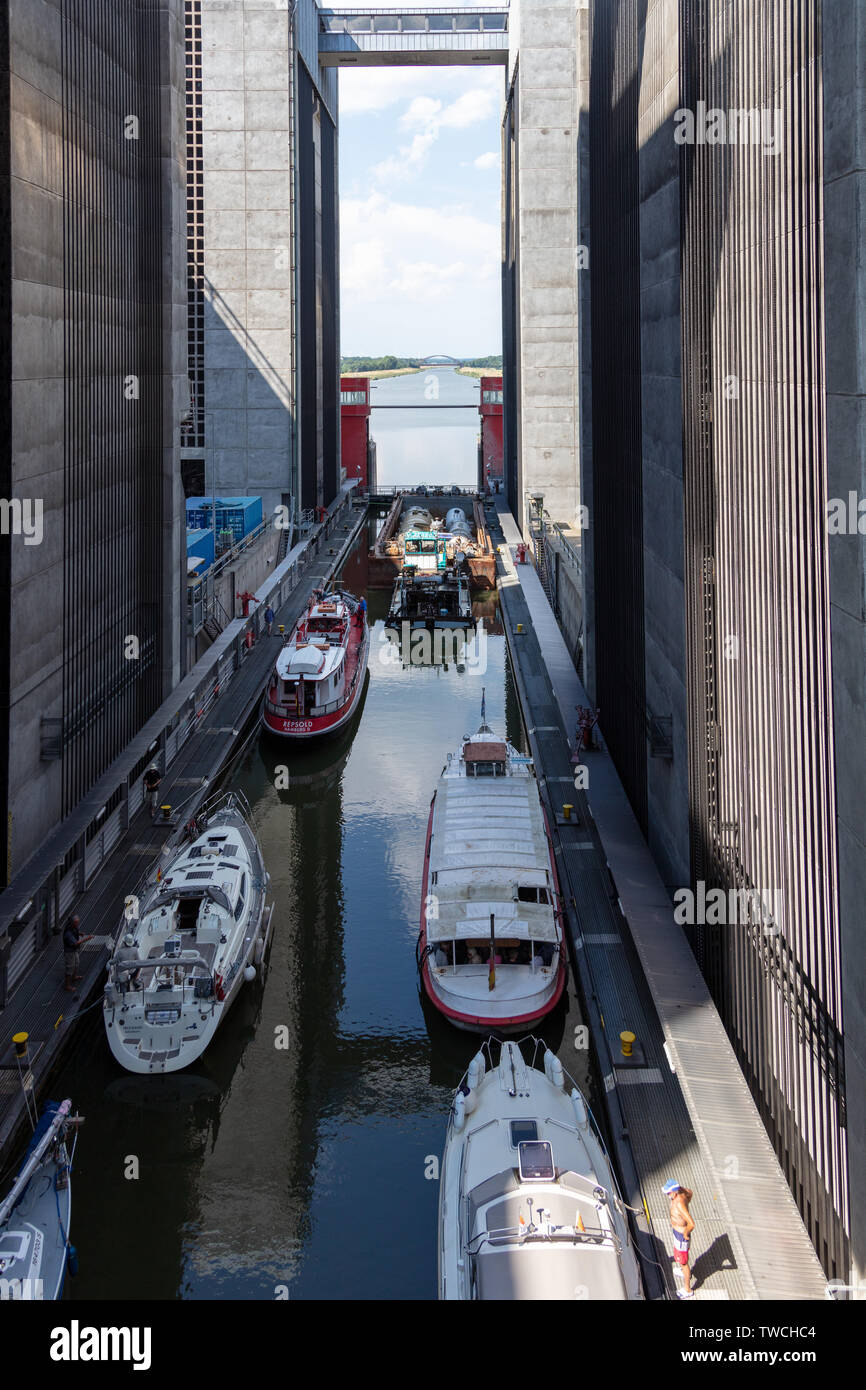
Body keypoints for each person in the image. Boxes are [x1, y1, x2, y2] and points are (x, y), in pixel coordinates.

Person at [664, 1180, 696, 1298]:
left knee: (683, 1262)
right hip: (678, 1232)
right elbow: (690, 1192)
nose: (667, 1195)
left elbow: (691, 1223)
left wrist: (685, 1233)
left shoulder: (679, 1204)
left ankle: (687, 1289)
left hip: (681, 1235)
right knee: (681, 1259)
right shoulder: (683, 1192)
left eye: (668, 1193)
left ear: (674, 1193)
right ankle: (684, 1272)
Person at [62, 916, 93, 992]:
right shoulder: (68, 933)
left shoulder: (73, 927)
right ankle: (67, 985)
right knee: (70, 968)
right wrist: (87, 938)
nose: (78, 923)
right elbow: (76, 943)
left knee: (77, 963)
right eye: (76, 922)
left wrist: (80, 933)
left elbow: (75, 932)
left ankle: (74, 976)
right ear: (72, 923)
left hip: (74, 950)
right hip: (69, 952)